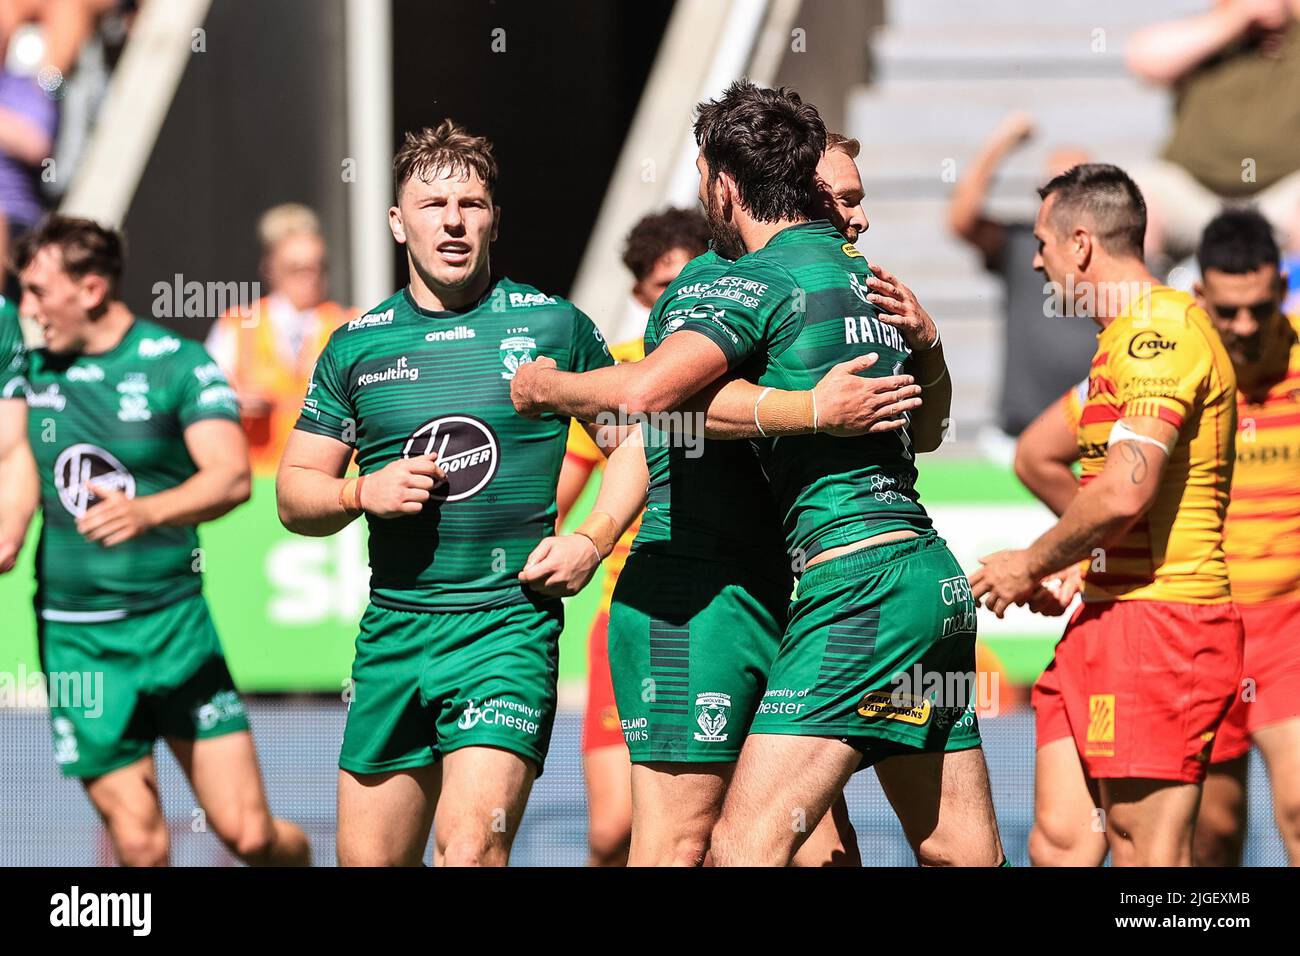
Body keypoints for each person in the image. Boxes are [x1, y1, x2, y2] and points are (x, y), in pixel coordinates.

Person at [512, 81, 1004, 867]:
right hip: (911, 584)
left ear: (724, 185)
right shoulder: (865, 284)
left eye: (859, 199)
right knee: (956, 852)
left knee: (741, 845)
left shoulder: (758, 281)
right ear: (807, 185)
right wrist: (597, 535)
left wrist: (549, 387)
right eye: (844, 198)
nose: (859, 217)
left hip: (845, 591)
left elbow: (650, 396)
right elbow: (927, 429)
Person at [0, 214, 310, 866]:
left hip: (175, 629)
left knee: (249, 834)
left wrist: (147, 512)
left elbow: (229, 478)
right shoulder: (28, 373)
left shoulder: (179, 364)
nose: (26, 308)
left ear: (89, 290)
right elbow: (15, 460)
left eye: (38, 292)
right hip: (76, 639)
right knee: (139, 845)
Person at [972, 164, 1242, 867]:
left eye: (1042, 243)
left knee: (1145, 852)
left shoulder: (1162, 334)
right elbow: (1036, 455)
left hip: (1166, 623)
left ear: (1082, 244)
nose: (1034, 259)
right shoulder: (1117, 344)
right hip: (1103, 618)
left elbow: (1126, 489)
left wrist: (1031, 561)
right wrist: (1074, 557)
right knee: (1061, 842)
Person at [1014, 207, 1300, 866]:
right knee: (1211, 833)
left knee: (1290, 806)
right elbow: (1038, 456)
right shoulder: (1164, 363)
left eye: (1259, 308)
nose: (1245, 327)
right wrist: (1093, 545)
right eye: (1228, 311)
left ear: (1282, 292)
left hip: (1276, 627)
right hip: (1176, 618)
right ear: (1204, 296)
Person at [555, 207, 710, 867]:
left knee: (709, 828)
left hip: (720, 609)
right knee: (612, 832)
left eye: (688, 278)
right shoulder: (612, 374)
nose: (674, 294)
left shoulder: (735, 366)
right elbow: (551, 502)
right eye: (660, 283)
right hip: (630, 614)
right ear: (641, 295)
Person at [947, 111, 1097, 441]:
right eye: (1057, 183)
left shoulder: (1113, 250)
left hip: (1097, 431)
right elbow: (962, 220)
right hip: (1020, 433)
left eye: (1079, 181)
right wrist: (1001, 143)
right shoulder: (1020, 245)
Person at [1127, 0, 1300, 258]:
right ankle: (1150, 298)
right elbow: (1143, 59)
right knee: (1130, 199)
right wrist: (1237, 19)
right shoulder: (1208, 33)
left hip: (1283, 197)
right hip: (1192, 192)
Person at [205, 203, 354, 473]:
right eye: (297, 269)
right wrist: (233, 400)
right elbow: (203, 400)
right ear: (270, 268)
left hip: (329, 480)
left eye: (317, 267)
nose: (310, 278)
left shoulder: (348, 323)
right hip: (258, 480)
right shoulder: (238, 325)